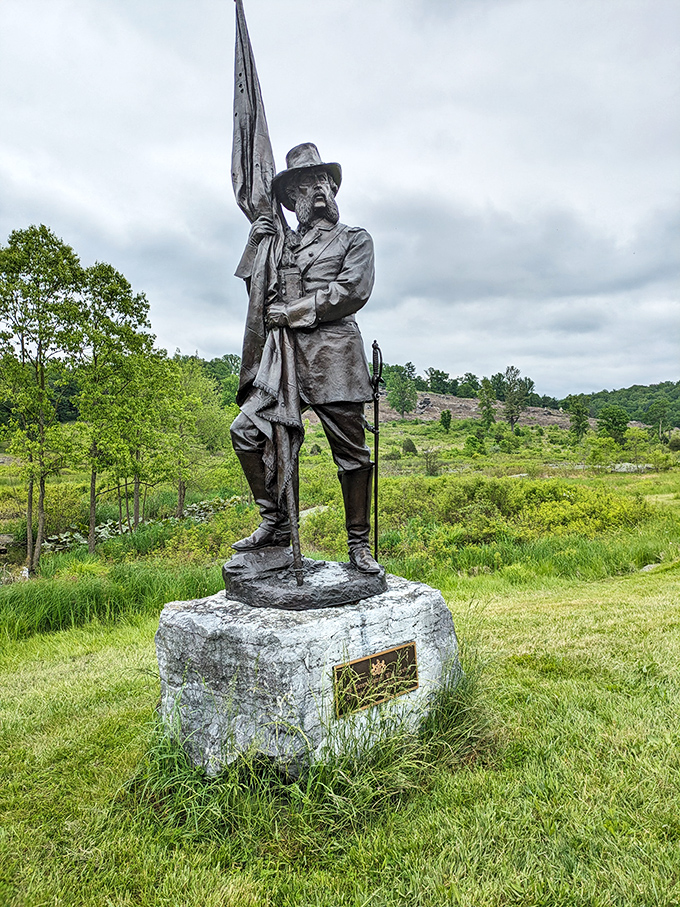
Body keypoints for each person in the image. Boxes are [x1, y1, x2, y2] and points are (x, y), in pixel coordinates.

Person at [230, 142, 380, 574]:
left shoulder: (354, 239)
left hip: (334, 357)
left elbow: (351, 292)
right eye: (304, 185)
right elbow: (261, 300)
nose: (315, 190)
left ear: (333, 190)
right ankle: (275, 523)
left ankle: (358, 545)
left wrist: (292, 312)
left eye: (321, 182)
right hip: (286, 360)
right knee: (247, 433)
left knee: (352, 455)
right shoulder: (282, 244)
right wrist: (255, 249)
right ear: (292, 200)